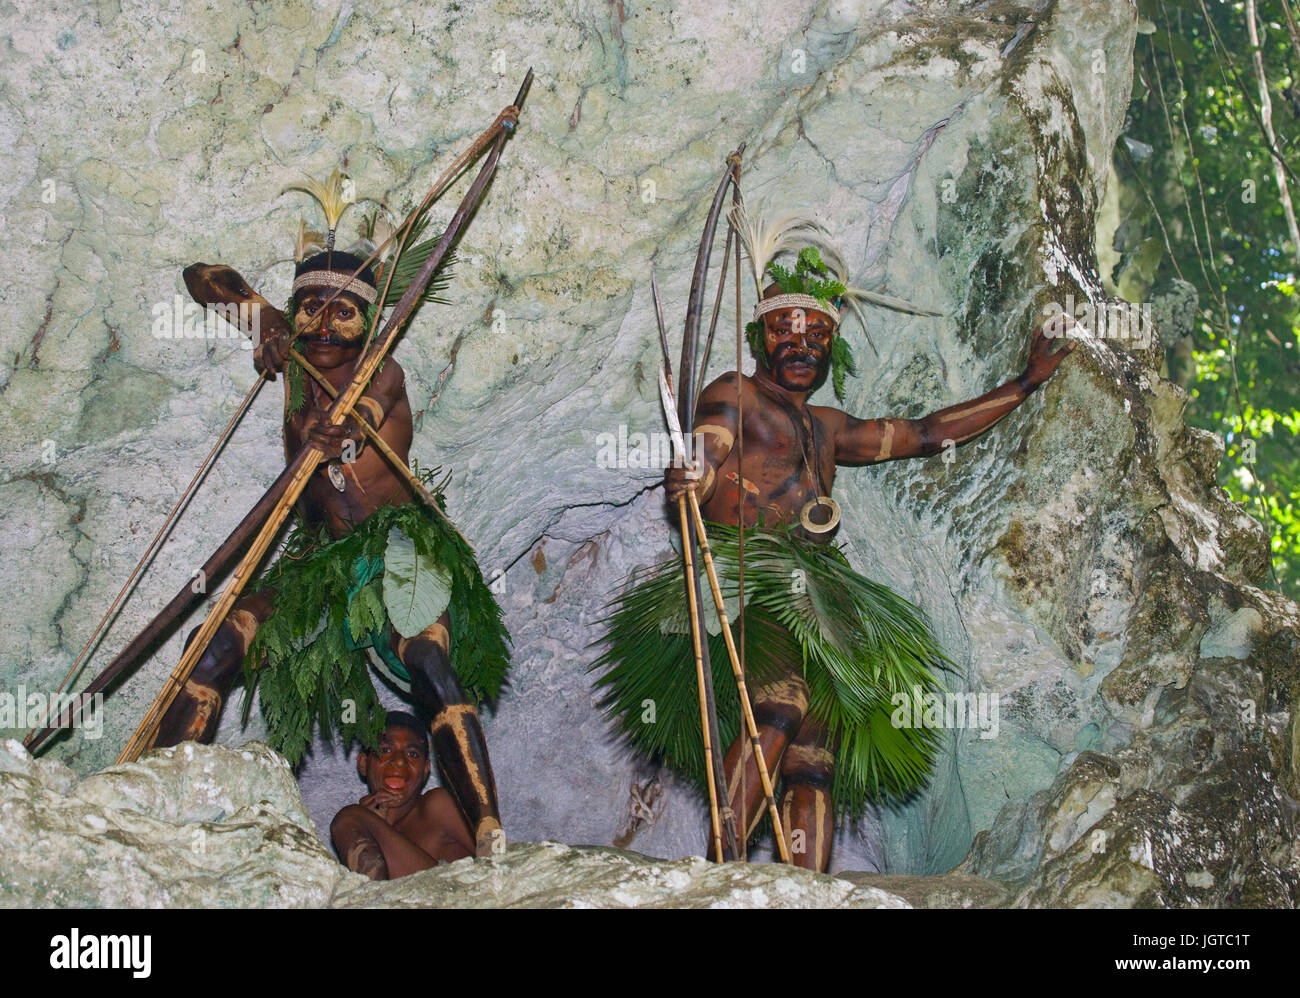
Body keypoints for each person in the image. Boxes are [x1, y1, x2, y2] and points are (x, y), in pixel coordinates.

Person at [596, 227, 1073, 872]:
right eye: (785, 334)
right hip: (746, 577)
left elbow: (928, 434)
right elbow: (709, 442)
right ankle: (723, 868)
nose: (800, 347)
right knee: (781, 704)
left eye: (816, 336)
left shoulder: (829, 428)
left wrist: (1024, 383)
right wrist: (696, 475)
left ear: (832, 350)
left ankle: (807, 891)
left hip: (816, 592)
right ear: (761, 340)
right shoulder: (736, 393)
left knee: (814, 755)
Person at [149, 182, 510, 858]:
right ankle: (152, 795)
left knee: (428, 657)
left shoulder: (384, 370)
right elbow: (200, 278)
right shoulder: (293, 348)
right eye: (311, 307)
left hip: (396, 551)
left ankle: (487, 825)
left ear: (369, 324)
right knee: (218, 640)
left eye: (343, 311)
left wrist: (340, 432)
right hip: (319, 559)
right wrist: (265, 318)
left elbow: (364, 415)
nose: (323, 323)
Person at [331, 711, 477, 878]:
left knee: (349, 816)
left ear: (425, 770)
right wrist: (372, 826)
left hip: (455, 897)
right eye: (385, 749)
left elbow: (499, 857)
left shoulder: (436, 805)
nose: (399, 761)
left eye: (412, 754)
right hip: (400, 900)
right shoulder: (361, 828)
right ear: (364, 763)